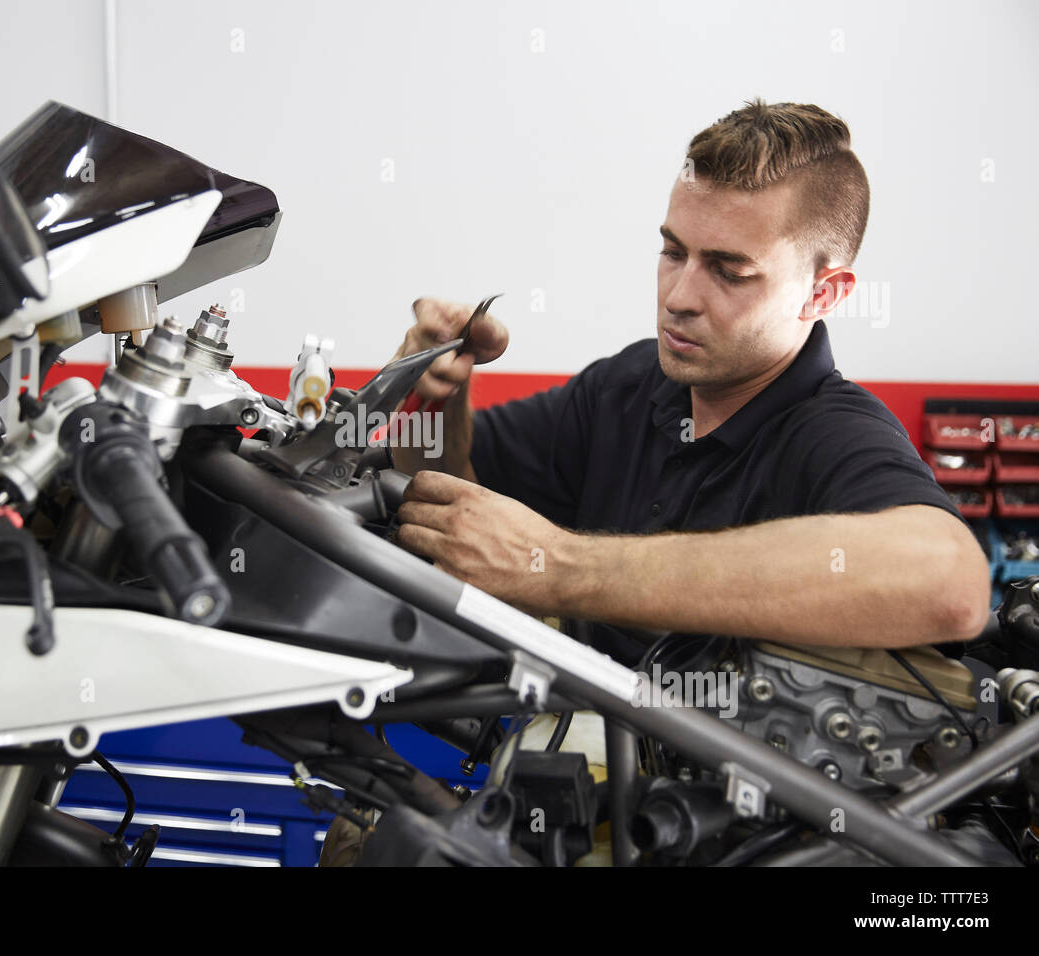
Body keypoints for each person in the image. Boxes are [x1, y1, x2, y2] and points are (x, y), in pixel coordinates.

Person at [390, 98, 991, 665]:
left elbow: (953, 583)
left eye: (730, 272)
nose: (679, 298)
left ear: (822, 293)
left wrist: (560, 567)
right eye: (674, 253)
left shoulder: (832, 434)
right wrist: (430, 393)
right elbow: (441, 491)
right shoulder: (625, 387)